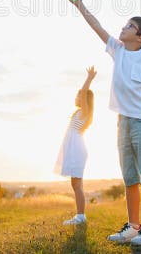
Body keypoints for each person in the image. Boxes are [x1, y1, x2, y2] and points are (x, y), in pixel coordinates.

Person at [67, 0, 141, 245]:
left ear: (140, 36)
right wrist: (80, 5)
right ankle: (134, 226)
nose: (123, 28)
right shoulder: (118, 49)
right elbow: (96, 26)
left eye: (129, 26)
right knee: (130, 177)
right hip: (122, 122)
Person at [54, 66, 97, 225]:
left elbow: (85, 91)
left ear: (84, 99)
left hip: (77, 149)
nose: (77, 97)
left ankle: (80, 216)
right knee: (76, 184)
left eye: (79, 95)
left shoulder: (85, 111)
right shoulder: (78, 113)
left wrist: (89, 79)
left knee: (77, 184)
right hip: (74, 148)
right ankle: (80, 215)